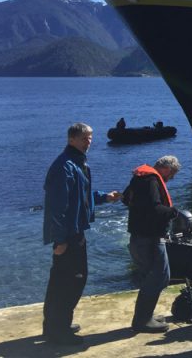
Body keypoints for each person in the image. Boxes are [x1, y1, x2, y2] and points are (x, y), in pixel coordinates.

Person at [43, 123, 121, 346]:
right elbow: (58, 207)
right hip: (69, 234)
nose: (89, 142)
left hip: (73, 231)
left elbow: (81, 197)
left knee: (60, 280)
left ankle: (53, 325)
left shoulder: (76, 163)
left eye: (90, 138)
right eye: (84, 138)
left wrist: (105, 197)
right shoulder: (65, 166)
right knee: (73, 280)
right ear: (72, 139)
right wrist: (59, 240)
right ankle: (59, 332)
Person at [122, 155, 181, 333]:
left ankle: (146, 315)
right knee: (160, 276)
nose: (172, 178)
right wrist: (173, 212)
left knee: (152, 276)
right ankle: (142, 320)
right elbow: (155, 208)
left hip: (139, 237)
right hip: (150, 238)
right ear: (167, 169)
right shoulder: (151, 181)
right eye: (172, 174)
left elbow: (126, 198)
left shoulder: (139, 178)